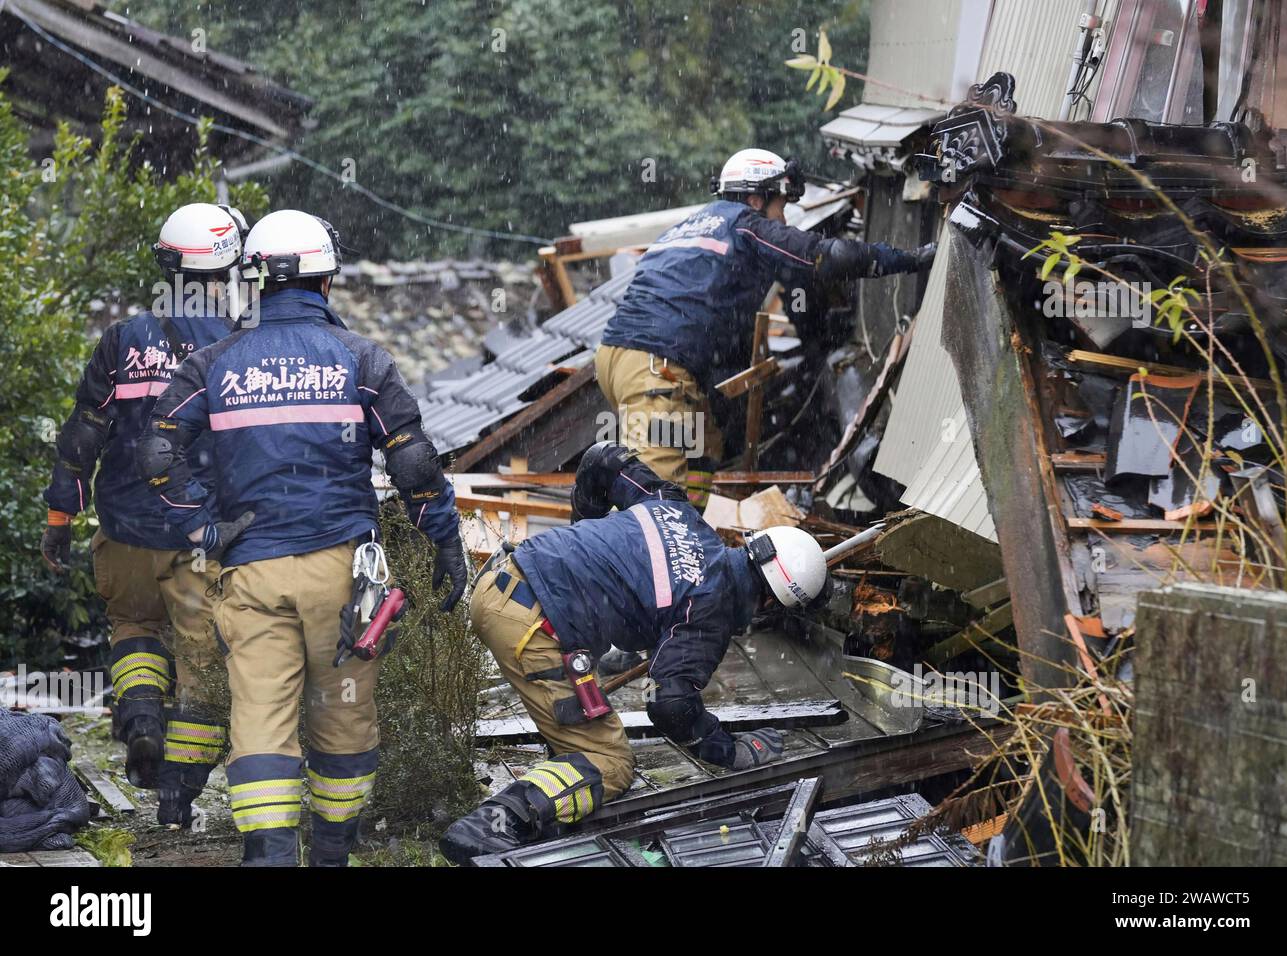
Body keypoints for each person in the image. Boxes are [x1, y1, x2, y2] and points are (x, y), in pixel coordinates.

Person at [136, 209, 467, 866]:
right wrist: (445, 543)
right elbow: (413, 466)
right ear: (326, 279)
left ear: (254, 280)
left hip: (252, 575)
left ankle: (269, 854)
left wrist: (205, 525)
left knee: (259, 717)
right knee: (342, 713)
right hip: (343, 578)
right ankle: (333, 855)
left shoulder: (212, 364)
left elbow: (157, 456)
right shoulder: (362, 359)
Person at [438, 441, 827, 864]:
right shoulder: (709, 609)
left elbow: (602, 459)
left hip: (500, 578)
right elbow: (671, 705)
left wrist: (583, 542)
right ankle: (492, 827)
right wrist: (729, 750)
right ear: (770, 602)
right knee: (609, 761)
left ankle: (558, 773)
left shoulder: (678, 509)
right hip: (532, 626)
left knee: (584, 716)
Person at [41, 202, 249, 828]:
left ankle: (139, 724)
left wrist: (60, 517)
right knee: (204, 665)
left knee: (132, 627)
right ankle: (176, 796)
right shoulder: (239, 340)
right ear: (226, 268)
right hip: (199, 536)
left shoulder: (122, 340)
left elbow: (83, 434)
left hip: (124, 528)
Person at [598, 148, 935, 508]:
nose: (784, 219)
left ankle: (689, 529)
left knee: (702, 451)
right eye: (781, 205)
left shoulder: (688, 227)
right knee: (654, 501)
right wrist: (911, 259)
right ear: (757, 199)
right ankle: (655, 550)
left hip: (617, 360)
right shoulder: (746, 225)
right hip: (656, 372)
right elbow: (822, 256)